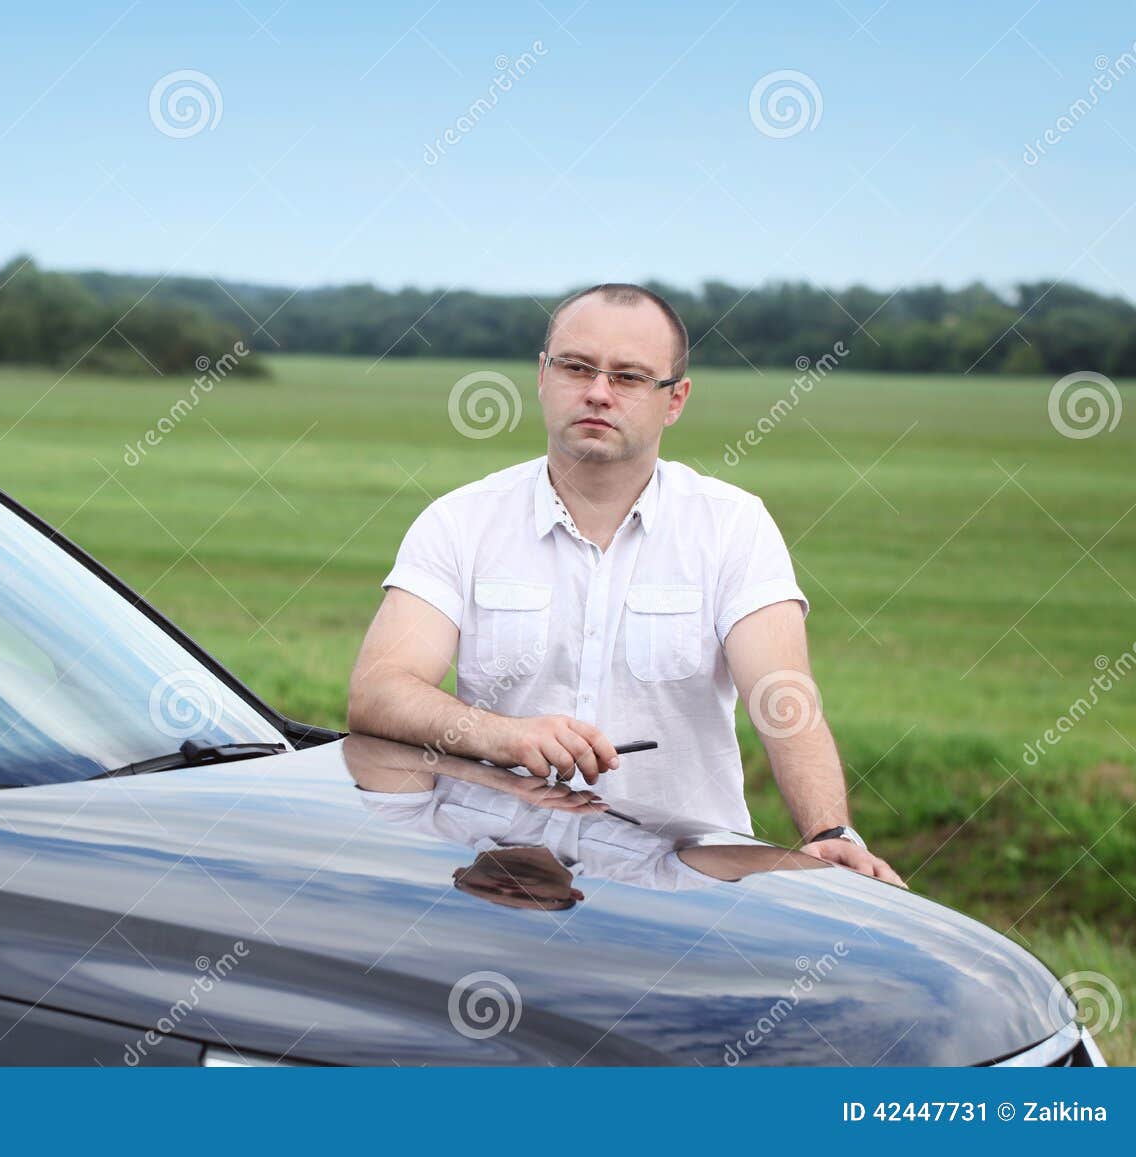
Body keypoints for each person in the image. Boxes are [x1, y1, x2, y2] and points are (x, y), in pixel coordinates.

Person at [347, 283, 903, 885]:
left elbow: (783, 699)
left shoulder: (733, 527)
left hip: (673, 886)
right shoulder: (461, 520)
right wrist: (506, 737)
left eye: (630, 377)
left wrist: (829, 832)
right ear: (543, 375)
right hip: (489, 871)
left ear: (675, 399)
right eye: (577, 367)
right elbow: (378, 692)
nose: (597, 392)